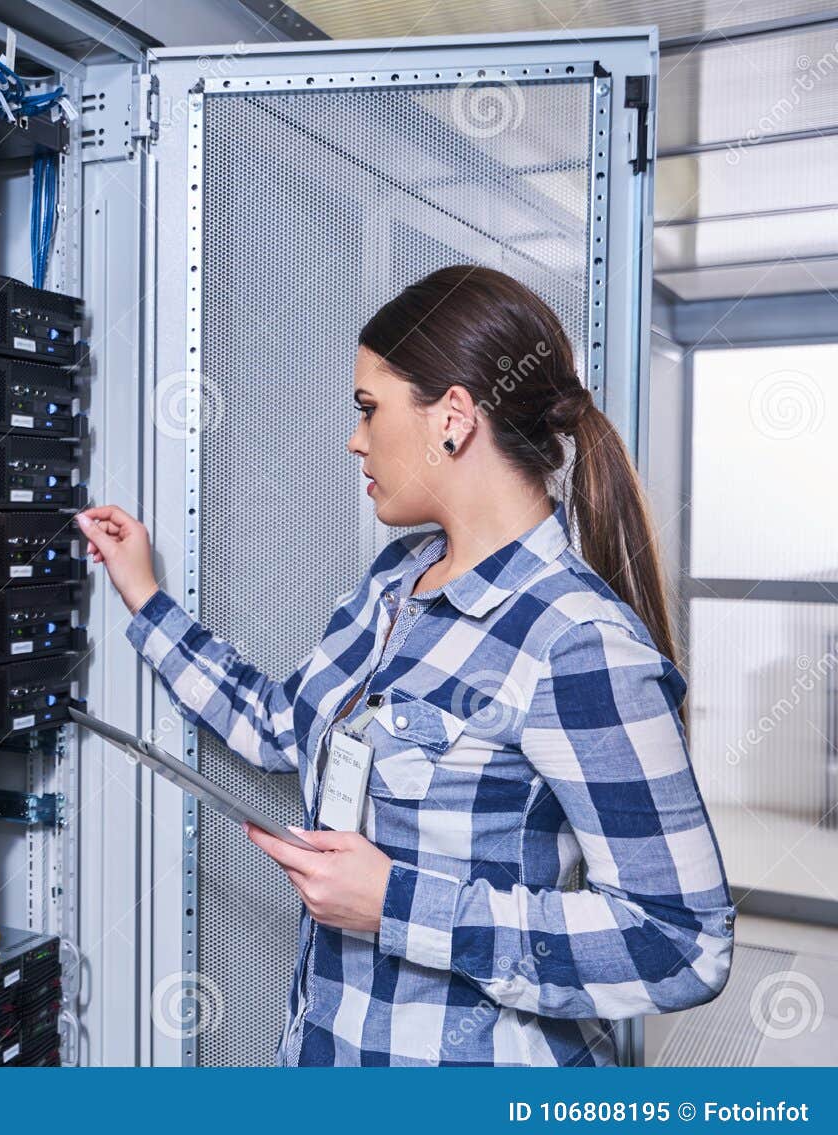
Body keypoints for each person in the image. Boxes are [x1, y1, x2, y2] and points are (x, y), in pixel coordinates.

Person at [74, 265, 734, 1067]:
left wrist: (395, 901)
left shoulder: (576, 642)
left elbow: (683, 940)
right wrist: (144, 597)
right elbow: (280, 723)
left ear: (452, 419)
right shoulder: (396, 580)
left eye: (368, 408)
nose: (355, 438)